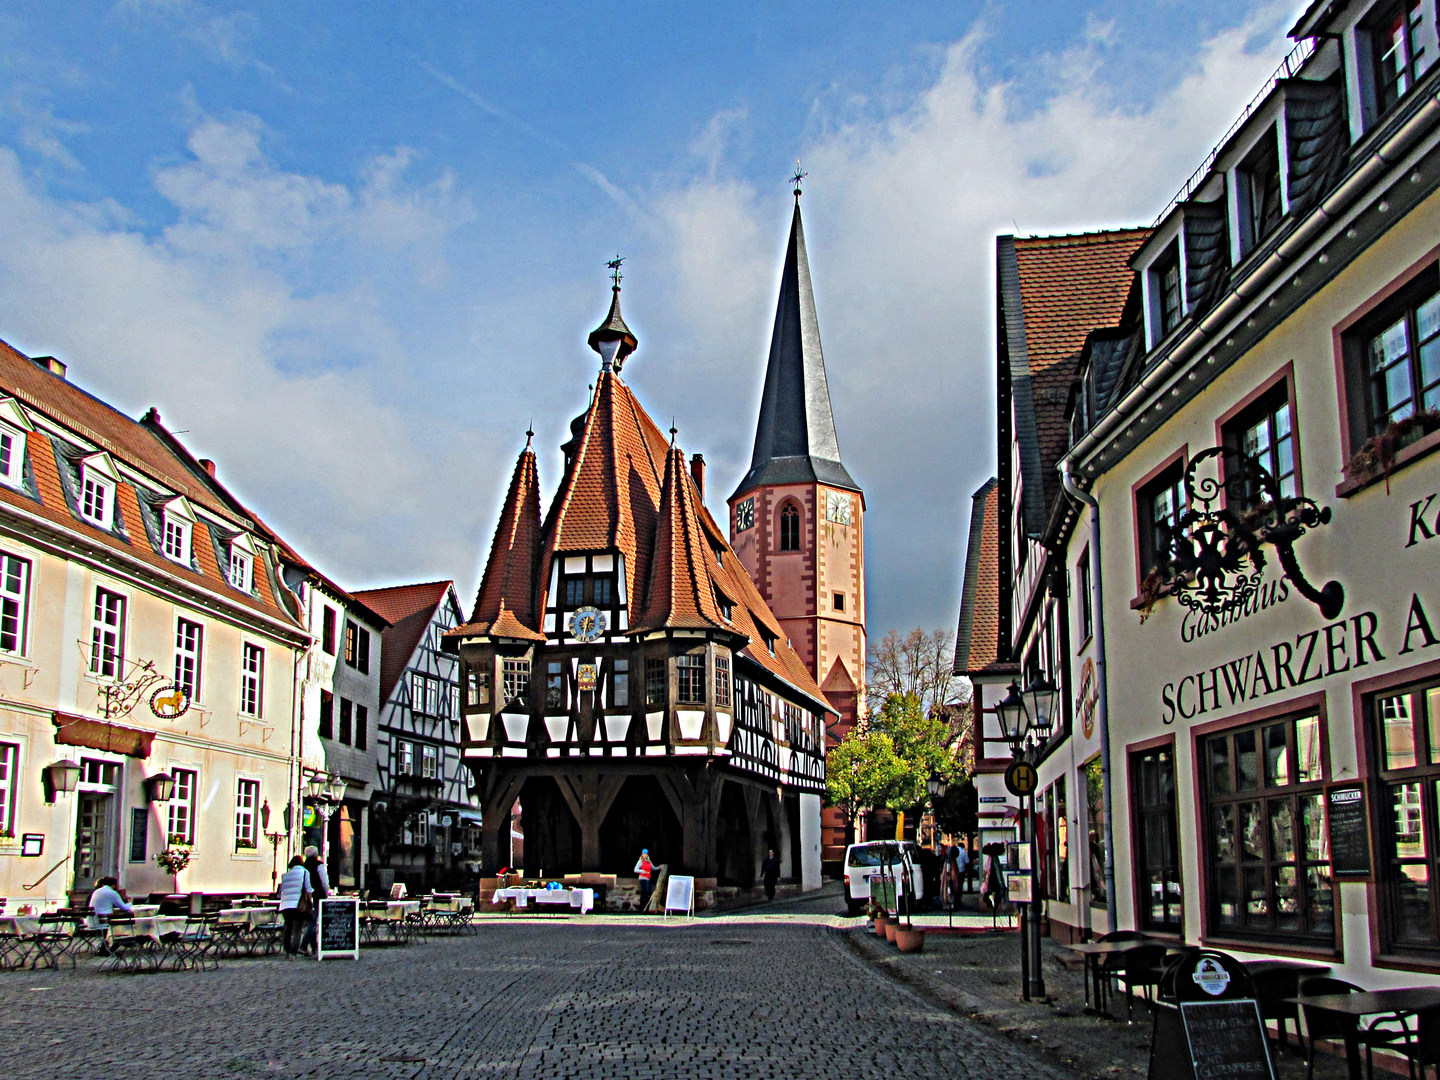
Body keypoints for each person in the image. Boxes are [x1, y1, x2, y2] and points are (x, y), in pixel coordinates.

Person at [277, 855, 313, 956]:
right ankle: (294, 951)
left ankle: (286, 950)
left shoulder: (285, 875)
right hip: (298, 905)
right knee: (298, 929)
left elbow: (280, 893)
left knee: (288, 927)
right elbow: (308, 889)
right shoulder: (305, 872)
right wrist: (309, 902)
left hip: (285, 905)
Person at [300, 846, 330, 954]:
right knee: (313, 922)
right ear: (316, 854)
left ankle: (314, 946)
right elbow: (324, 881)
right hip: (318, 895)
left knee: (311, 920)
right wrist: (326, 894)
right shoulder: (319, 865)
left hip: (306, 896)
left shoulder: (303, 866)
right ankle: (303, 944)